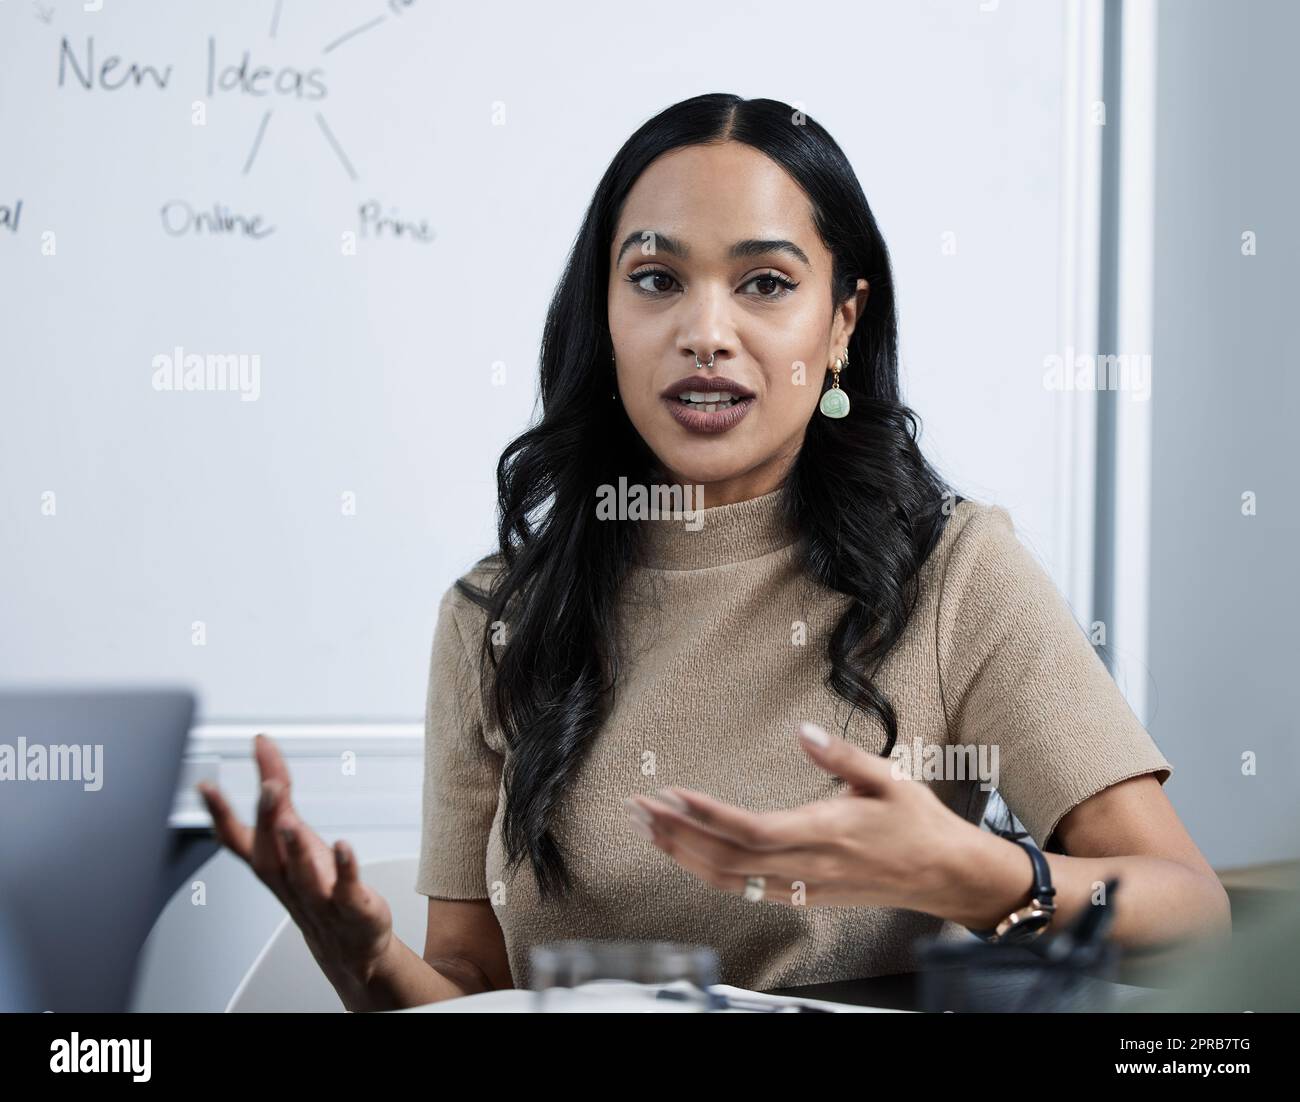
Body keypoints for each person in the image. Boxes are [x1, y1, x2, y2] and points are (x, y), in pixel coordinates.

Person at [197, 93, 1230, 1012]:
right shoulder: (491, 614)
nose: (704, 330)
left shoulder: (955, 572)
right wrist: (366, 964)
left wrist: (974, 871)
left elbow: (1189, 906)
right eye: (654, 278)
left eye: (765, 284)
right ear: (604, 318)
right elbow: (470, 988)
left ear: (840, 322)